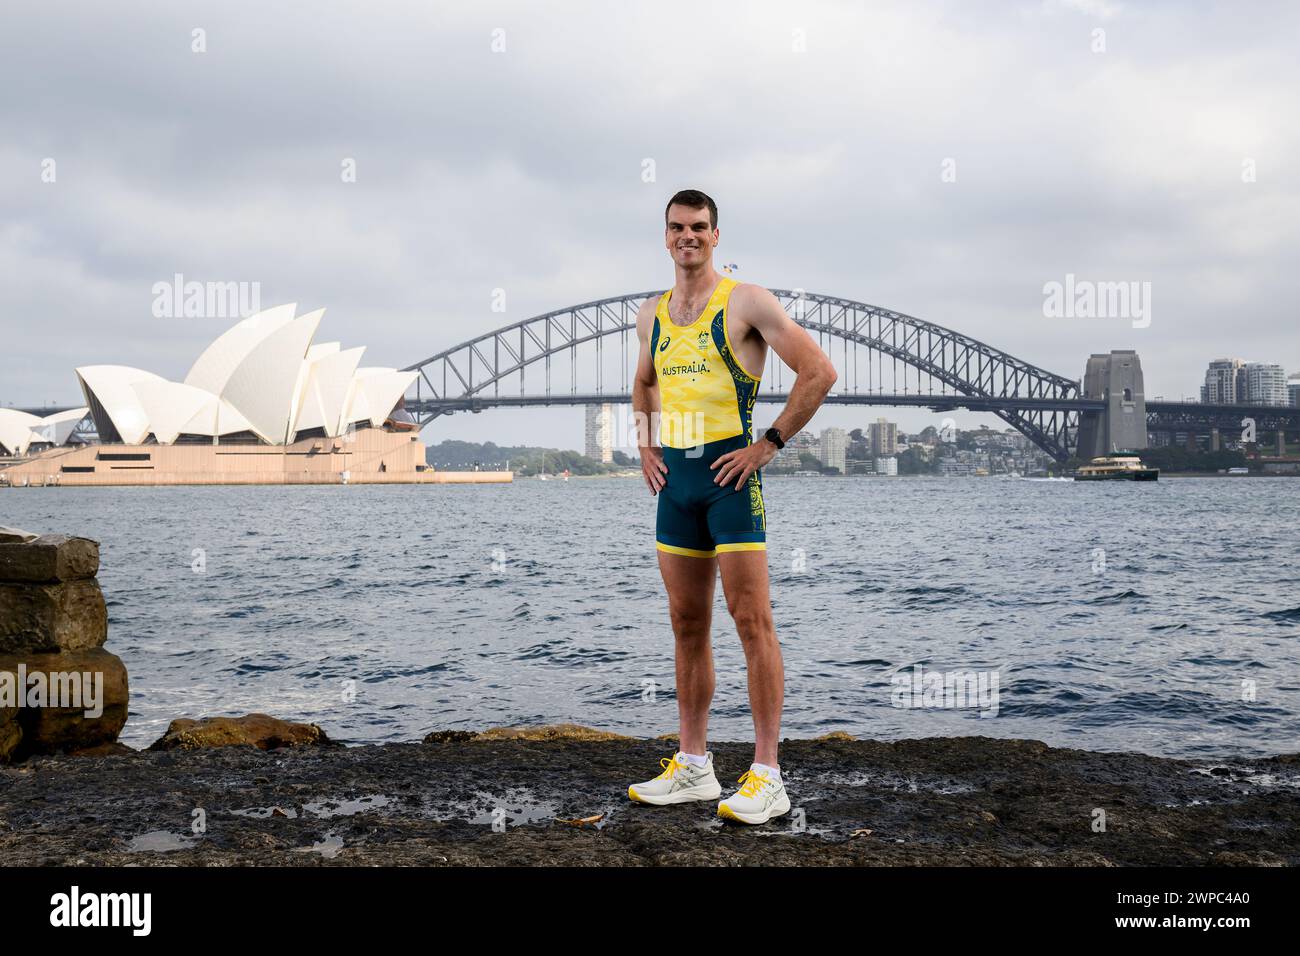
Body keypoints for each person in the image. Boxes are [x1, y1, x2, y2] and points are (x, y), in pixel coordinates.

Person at [628, 189, 837, 824]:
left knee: (753, 623)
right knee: (687, 625)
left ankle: (768, 775)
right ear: (664, 237)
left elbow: (819, 371)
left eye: (698, 227)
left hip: (730, 479)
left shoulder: (746, 301)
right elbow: (643, 383)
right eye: (676, 228)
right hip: (676, 485)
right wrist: (645, 449)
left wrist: (767, 446)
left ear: (716, 235)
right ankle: (694, 765)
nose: (686, 236)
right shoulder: (651, 313)